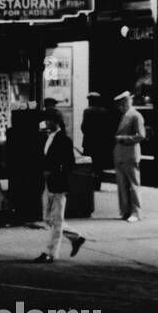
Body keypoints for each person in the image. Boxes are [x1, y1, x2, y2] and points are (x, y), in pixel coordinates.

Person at [33, 112, 86, 263]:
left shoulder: (64, 140)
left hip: (58, 183)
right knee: (48, 218)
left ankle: (50, 252)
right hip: (48, 183)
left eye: (49, 120)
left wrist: (55, 172)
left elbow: (70, 164)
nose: (46, 123)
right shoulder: (47, 137)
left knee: (56, 220)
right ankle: (76, 237)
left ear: (56, 122)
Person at [112, 90, 146, 222]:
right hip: (120, 154)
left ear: (125, 103)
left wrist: (123, 138)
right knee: (122, 185)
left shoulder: (135, 116)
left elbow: (141, 135)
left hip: (130, 154)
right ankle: (125, 211)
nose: (119, 108)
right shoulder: (125, 115)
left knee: (133, 184)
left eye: (121, 104)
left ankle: (136, 212)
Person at [80, 92, 114, 190]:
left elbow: (84, 127)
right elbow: (108, 128)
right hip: (101, 143)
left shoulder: (87, 111)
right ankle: (97, 184)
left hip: (89, 142)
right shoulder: (105, 111)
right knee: (99, 165)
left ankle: (89, 184)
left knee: (89, 164)